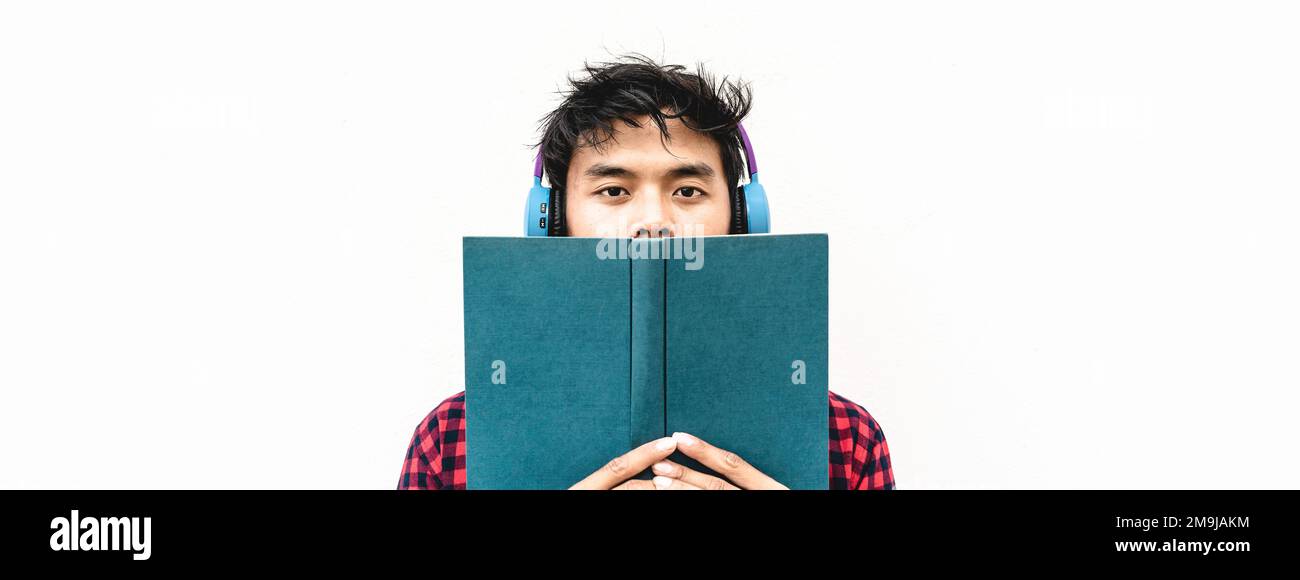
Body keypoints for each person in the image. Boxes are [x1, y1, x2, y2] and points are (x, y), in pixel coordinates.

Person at [399, 54, 894, 490]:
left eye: (688, 191)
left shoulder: (847, 436)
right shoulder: (451, 435)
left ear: (741, 219)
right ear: (553, 221)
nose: (653, 222)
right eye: (614, 190)